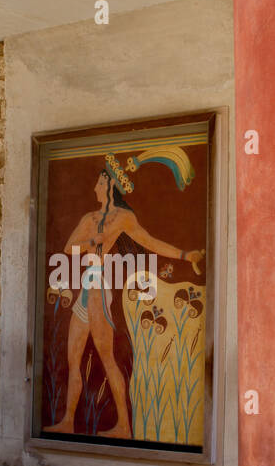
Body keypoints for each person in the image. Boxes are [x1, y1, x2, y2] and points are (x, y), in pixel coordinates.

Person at [45, 152, 204, 439]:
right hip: (85, 287)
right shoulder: (89, 218)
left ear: (108, 185)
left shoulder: (123, 218)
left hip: (98, 289)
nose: (94, 187)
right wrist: (91, 241)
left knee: (106, 358)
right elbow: (70, 247)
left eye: (98, 182)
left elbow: (150, 242)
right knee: (73, 359)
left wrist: (184, 254)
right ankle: (68, 420)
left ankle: (123, 426)